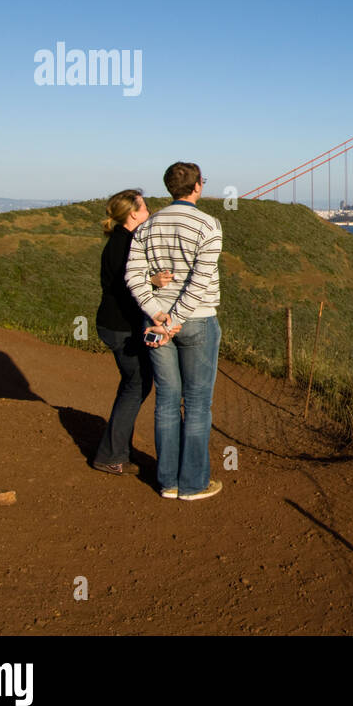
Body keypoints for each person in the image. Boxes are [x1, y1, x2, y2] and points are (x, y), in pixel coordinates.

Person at [125, 163, 223, 501]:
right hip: (195, 321)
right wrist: (175, 319)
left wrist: (157, 315)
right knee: (196, 403)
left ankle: (167, 483)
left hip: (155, 324)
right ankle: (193, 484)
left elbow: (134, 278)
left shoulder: (146, 227)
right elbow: (201, 280)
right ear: (197, 186)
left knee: (166, 401)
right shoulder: (209, 225)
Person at [92, 190, 173, 474]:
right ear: (133, 214)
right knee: (136, 384)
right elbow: (124, 289)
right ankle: (110, 455)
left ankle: (117, 450)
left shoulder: (122, 240)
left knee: (133, 384)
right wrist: (151, 282)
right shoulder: (124, 244)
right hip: (119, 326)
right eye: (145, 207)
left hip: (116, 324)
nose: (149, 211)